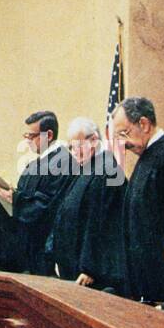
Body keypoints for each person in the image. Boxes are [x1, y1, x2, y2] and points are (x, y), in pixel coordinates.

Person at [112, 96, 164, 303]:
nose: (122, 144)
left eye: (124, 133)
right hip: (146, 281)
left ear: (144, 124)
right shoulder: (148, 156)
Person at [0, 111, 76, 275]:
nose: (27, 141)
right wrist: (10, 195)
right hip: (28, 250)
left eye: (31, 136)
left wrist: (15, 199)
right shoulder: (34, 164)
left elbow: (48, 206)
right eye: (26, 136)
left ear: (49, 135)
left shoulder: (63, 163)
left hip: (45, 250)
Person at [46, 117, 126, 289]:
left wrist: (90, 267)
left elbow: (106, 225)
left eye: (77, 145)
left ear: (94, 141)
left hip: (92, 275)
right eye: (70, 147)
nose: (73, 152)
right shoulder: (85, 170)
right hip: (72, 267)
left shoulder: (108, 171)